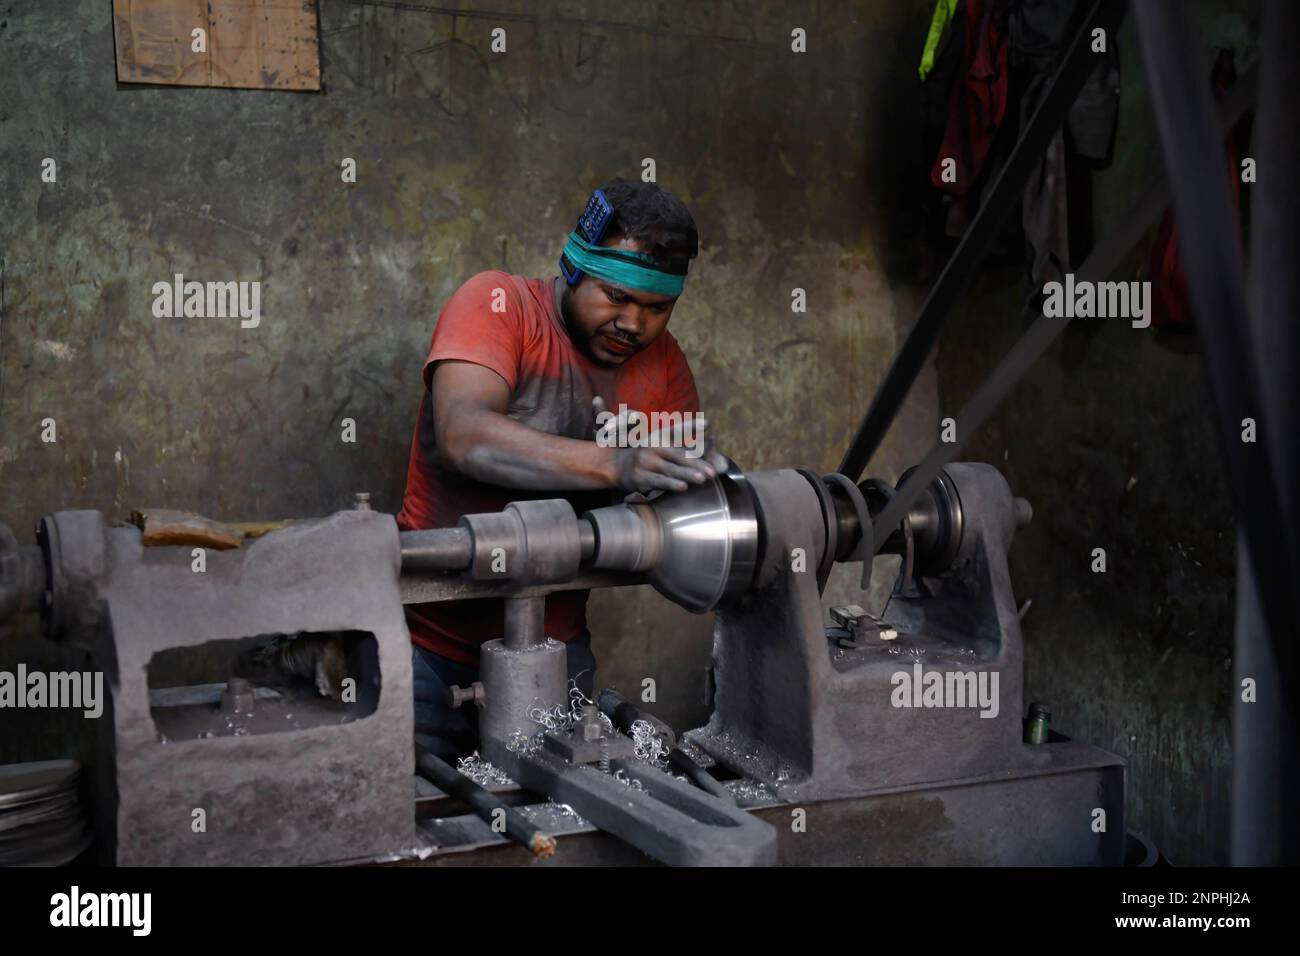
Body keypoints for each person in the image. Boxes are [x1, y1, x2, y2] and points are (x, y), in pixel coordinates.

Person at [397, 177, 725, 759]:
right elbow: (462, 434)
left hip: (559, 659)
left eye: (657, 308)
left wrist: (711, 489)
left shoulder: (664, 364)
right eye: (615, 296)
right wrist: (616, 465)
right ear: (573, 266)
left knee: (557, 825)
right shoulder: (499, 306)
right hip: (425, 652)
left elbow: (686, 506)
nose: (633, 324)